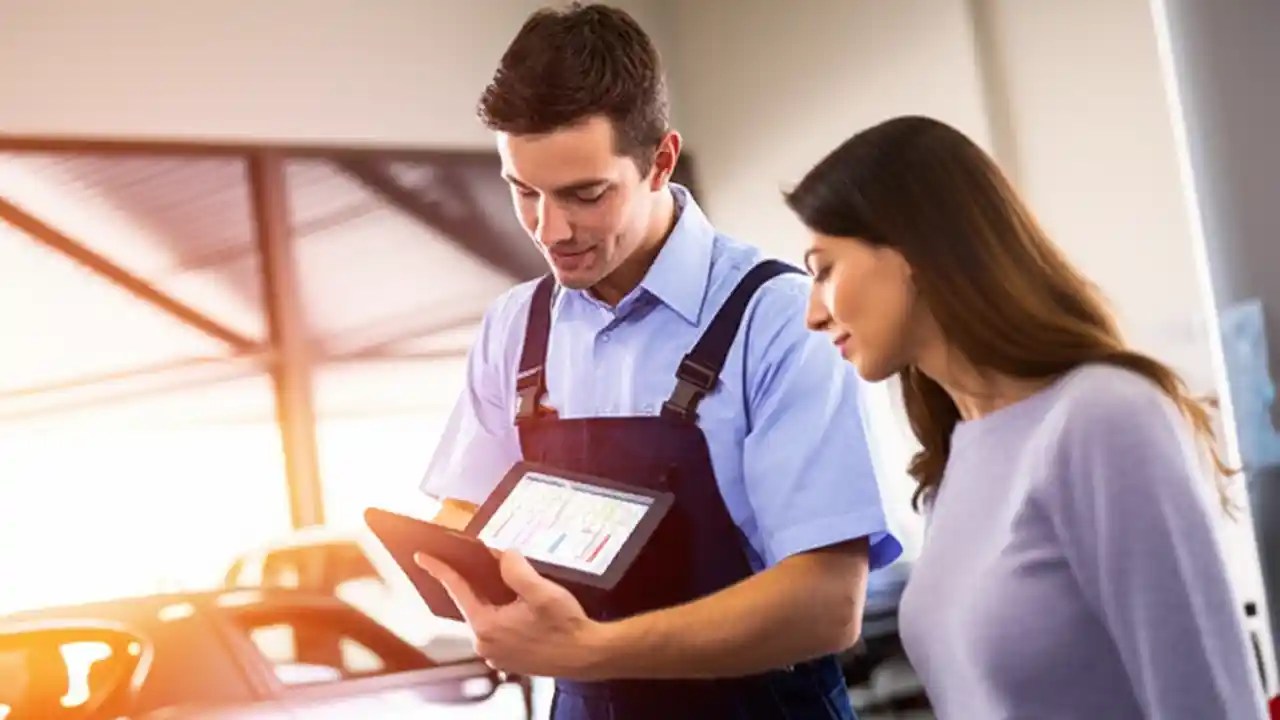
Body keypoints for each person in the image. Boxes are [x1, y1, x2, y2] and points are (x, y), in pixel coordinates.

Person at [413, 3, 901, 718]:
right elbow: (467, 514)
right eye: (524, 192)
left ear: (660, 161)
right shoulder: (515, 328)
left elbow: (825, 605)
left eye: (585, 195)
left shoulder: (779, 318)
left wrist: (590, 649)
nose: (551, 230)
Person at [789, 115, 1268, 719]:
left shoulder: (1102, 418)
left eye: (823, 269)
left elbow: (1207, 702)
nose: (812, 313)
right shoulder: (958, 454)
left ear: (911, 250)